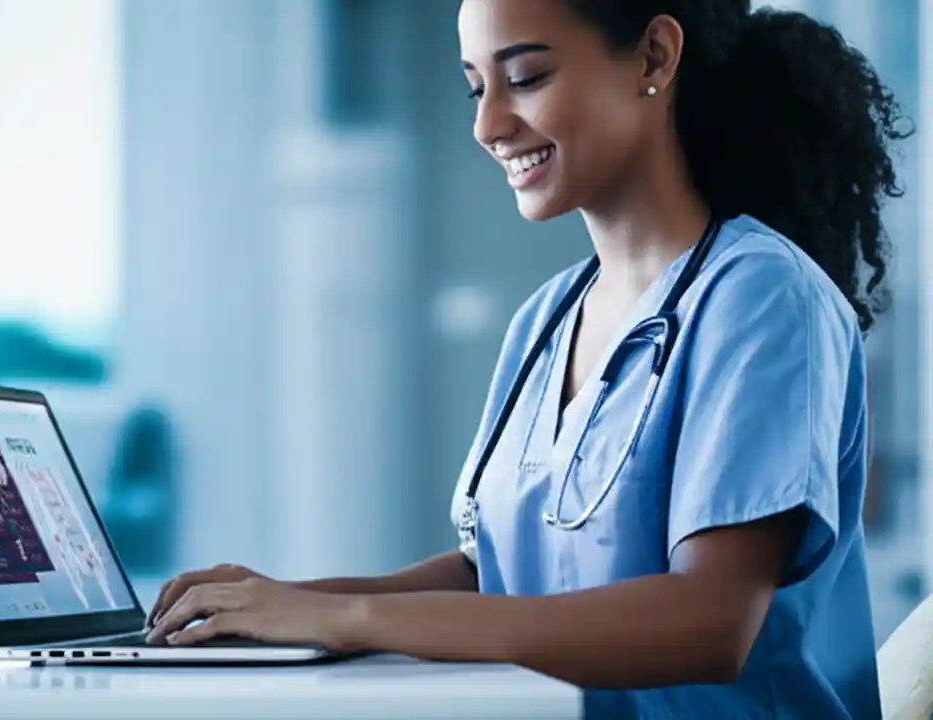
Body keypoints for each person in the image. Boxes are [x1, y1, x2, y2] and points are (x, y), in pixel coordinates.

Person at [144, 1, 909, 716]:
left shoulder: (763, 297)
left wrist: (347, 617)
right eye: (476, 87)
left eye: (526, 78)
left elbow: (708, 620)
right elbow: (494, 573)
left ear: (654, 55)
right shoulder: (546, 319)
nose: (487, 124)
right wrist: (275, 604)